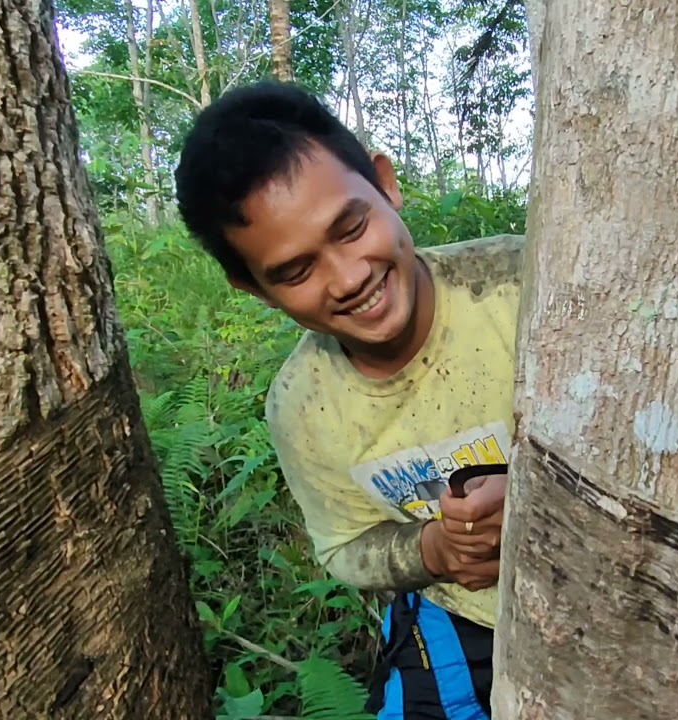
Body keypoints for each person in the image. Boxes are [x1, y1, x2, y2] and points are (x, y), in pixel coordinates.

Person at [173, 80, 525, 719]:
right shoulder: (303, 407)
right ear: (253, 288)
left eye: (351, 226)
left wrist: (537, 501)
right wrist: (435, 550)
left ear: (386, 186)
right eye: (295, 271)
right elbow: (344, 547)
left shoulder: (522, 288)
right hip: (465, 616)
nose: (350, 276)